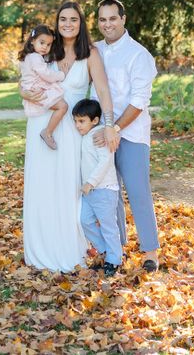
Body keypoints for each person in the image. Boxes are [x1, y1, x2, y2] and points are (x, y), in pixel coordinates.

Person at [21, 1, 116, 273]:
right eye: (63, 19)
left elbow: (103, 91)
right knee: (43, 186)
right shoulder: (46, 49)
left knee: (68, 187)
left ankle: (69, 248)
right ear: (57, 22)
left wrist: (109, 125)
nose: (68, 24)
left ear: (81, 23)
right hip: (42, 123)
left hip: (73, 129)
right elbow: (26, 78)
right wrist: (23, 92)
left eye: (73, 19)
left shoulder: (90, 53)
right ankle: (41, 248)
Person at [91, 0, 160, 272]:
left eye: (112, 18)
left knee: (137, 191)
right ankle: (115, 249)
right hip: (100, 134)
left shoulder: (139, 55)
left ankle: (150, 252)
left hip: (131, 133)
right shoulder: (94, 50)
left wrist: (115, 128)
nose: (107, 24)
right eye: (102, 19)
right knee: (109, 195)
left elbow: (139, 101)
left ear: (123, 19)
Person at [73, 98, 122, 277]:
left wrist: (90, 182)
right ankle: (104, 251)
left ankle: (114, 260)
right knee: (84, 221)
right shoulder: (85, 136)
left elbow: (105, 161)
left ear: (94, 120)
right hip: (90, 192)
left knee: (109, 226)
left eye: (81, 121)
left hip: (104, 189)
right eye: (75, 121)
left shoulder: (99, 135)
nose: (77, 125)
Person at [18, 25, 67, 150]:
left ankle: (47, 132)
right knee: (63, 106)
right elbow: (47, 76)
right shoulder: (35, 57)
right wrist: (61, 74)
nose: (45, 47)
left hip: (31, 89)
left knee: (61, 106)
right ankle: (48, 132)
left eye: (48, 44)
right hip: (38, 91)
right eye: (42, 42)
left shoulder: (27, 57)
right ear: (32, 40)